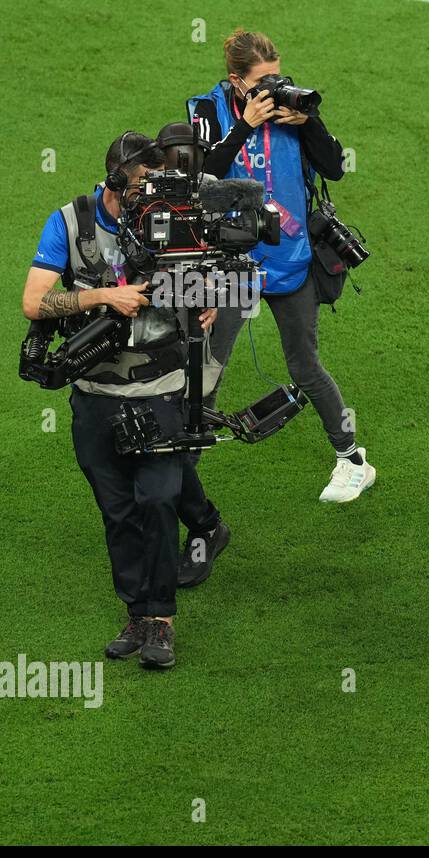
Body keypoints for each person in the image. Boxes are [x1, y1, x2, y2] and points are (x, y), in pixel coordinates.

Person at [22, 133, 220, 669]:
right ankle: (137, 612)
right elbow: (34, 301)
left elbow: (208, 279)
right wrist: (101, 295)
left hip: (159, 393)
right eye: (140, 186)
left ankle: (160, 620)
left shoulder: (171, 216)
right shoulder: (69, 222)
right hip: (94, 398)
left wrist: (207, 304)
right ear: (114, 181)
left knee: (157, 500)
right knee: (118, 511)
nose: (149, 196)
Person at [187, 27, 375, 504]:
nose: (273, 89)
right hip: (232, 264)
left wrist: (306, 122)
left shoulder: (294, 108)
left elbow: (335, 167)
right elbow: (201, 177)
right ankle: (182, 473)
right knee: (208, 368)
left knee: (306, 364)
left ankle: (352, 461)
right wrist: (246, 125)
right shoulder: (208, 111)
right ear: (236, 81)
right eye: (262, 82)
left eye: (277, 77)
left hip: (291, 258)